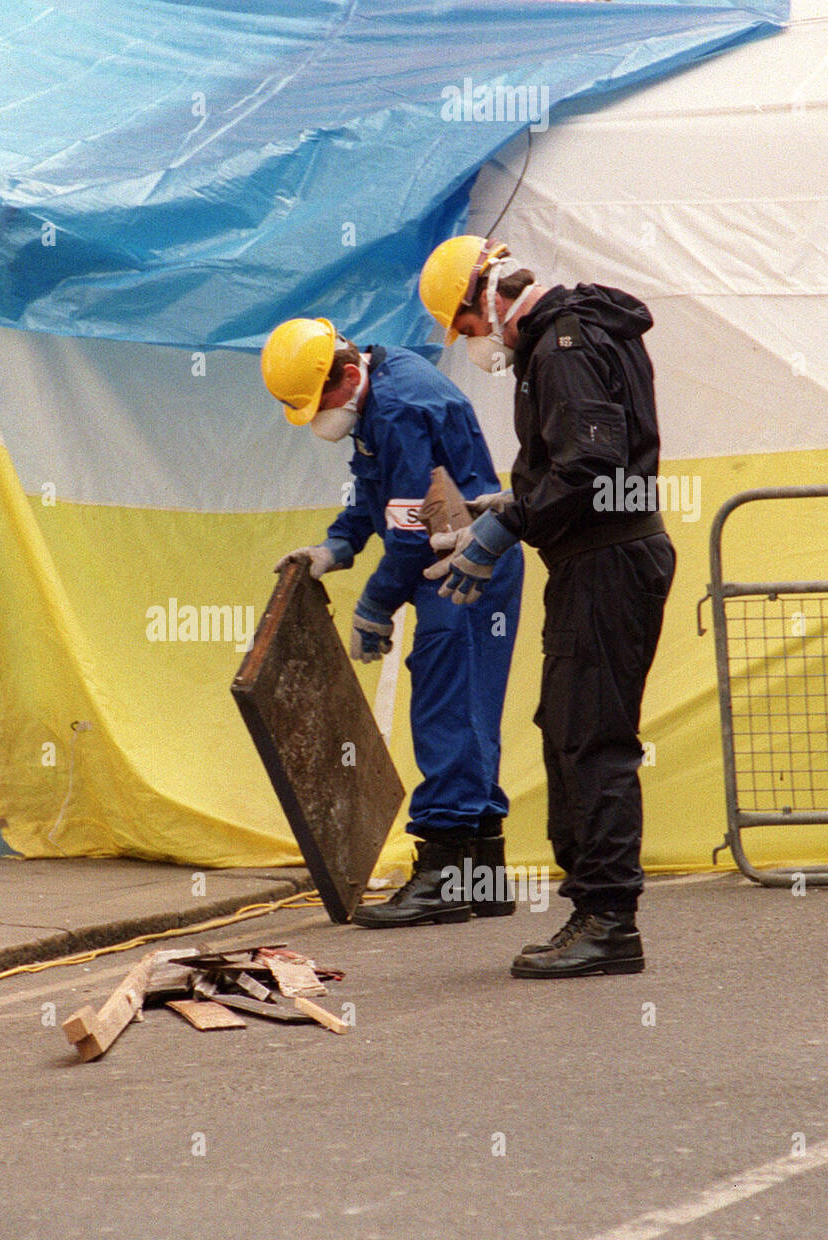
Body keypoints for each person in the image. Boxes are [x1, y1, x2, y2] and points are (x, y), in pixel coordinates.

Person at [419, 235, 675, 978]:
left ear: (489, 296)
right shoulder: (578, 332)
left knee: (590, 736)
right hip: (604, 558)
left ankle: (608, 921)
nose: (471, 342)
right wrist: (519, 499)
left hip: (606, 562)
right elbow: (592, 455)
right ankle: (592, 910)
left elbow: (594, 463)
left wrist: (507, 527)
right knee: (568, 725)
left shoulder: (559, 346)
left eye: (465, 327)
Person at [261, 317, 523, 926]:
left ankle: (445, 878)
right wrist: (334, 547)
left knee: (447, 714)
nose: (317, 419)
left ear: (348, 374)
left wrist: (374, 605)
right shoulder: (382, 385)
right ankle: (482, 877)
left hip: (455, 569)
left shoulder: (400, 405)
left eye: (318, 401)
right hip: (469, 562)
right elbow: (370, 491)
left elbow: (407, 535)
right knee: (470, 716)